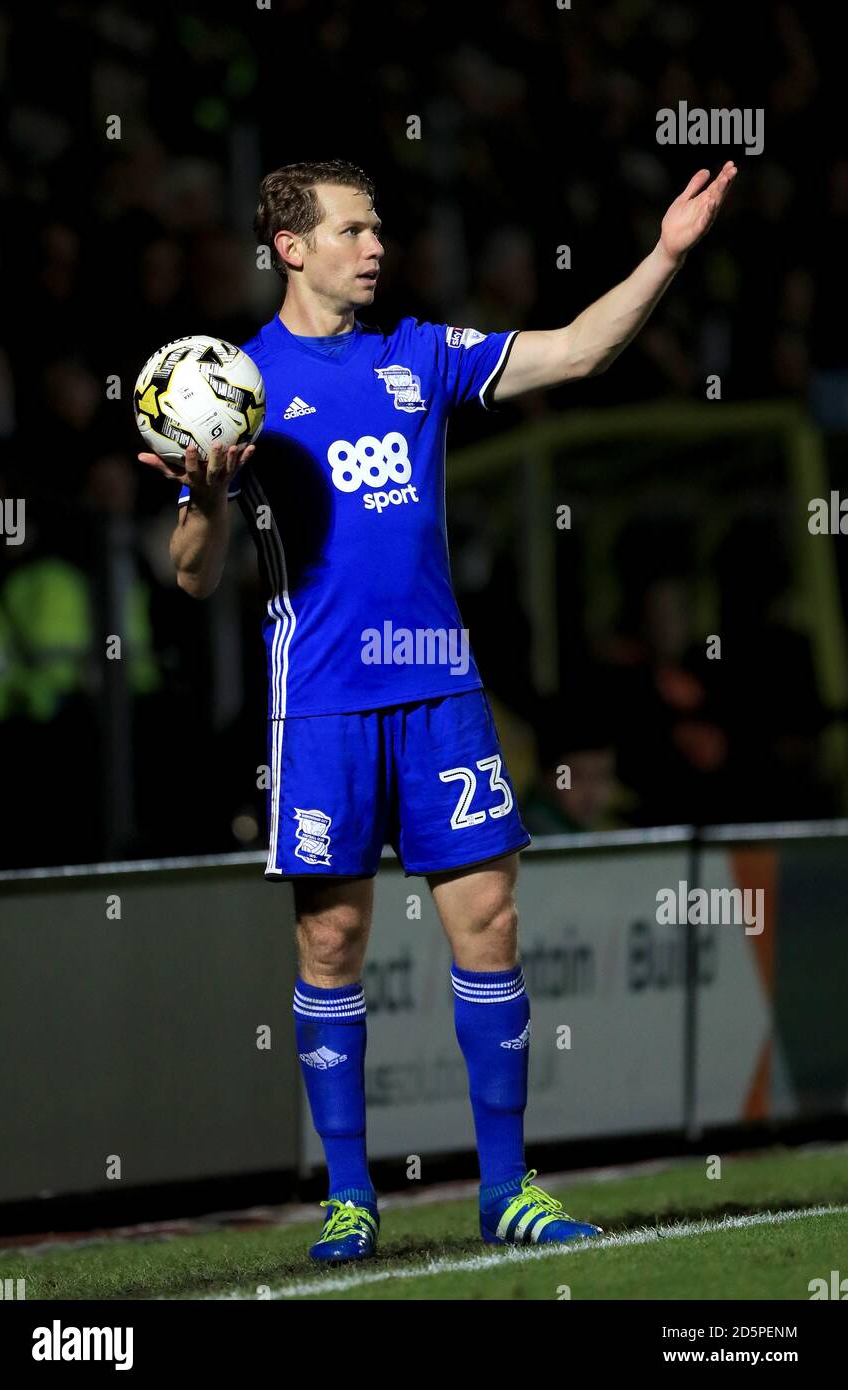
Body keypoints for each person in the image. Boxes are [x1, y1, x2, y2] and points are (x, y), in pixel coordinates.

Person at [139, 156, 735, 1263]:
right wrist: (210, 497)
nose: (376, 246)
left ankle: (506, 1188)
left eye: (377, 229)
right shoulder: (239, 386)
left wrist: (664, 253)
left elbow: (578, 350)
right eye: (355, 230)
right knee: (332, 939)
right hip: (320, 707)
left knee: (491, 926)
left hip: (439, 690)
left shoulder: (419, 353)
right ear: (292, 246)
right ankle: (352, 1196)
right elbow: (190, 575)